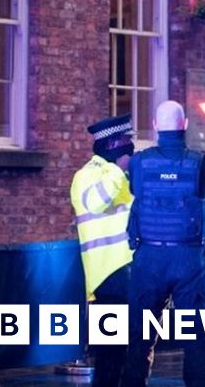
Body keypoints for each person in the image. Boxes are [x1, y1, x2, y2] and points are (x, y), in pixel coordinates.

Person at [123, 101, 205, 387]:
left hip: (148, 258)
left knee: (139, 341)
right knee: (195, 341)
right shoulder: (203, 164)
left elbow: (136, 194)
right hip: (189, 259)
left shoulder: (139, 163)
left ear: (154, 126)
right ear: (185, 125)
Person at [70, 114, 136, 387]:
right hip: (105, 279)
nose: (131, 147)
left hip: (130, 275)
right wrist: (119, 170)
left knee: (129, 356)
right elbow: (97, 202)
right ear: (112, 144)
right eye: (126, 141)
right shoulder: (85, 176)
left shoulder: (121, 175)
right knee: (109, 358)